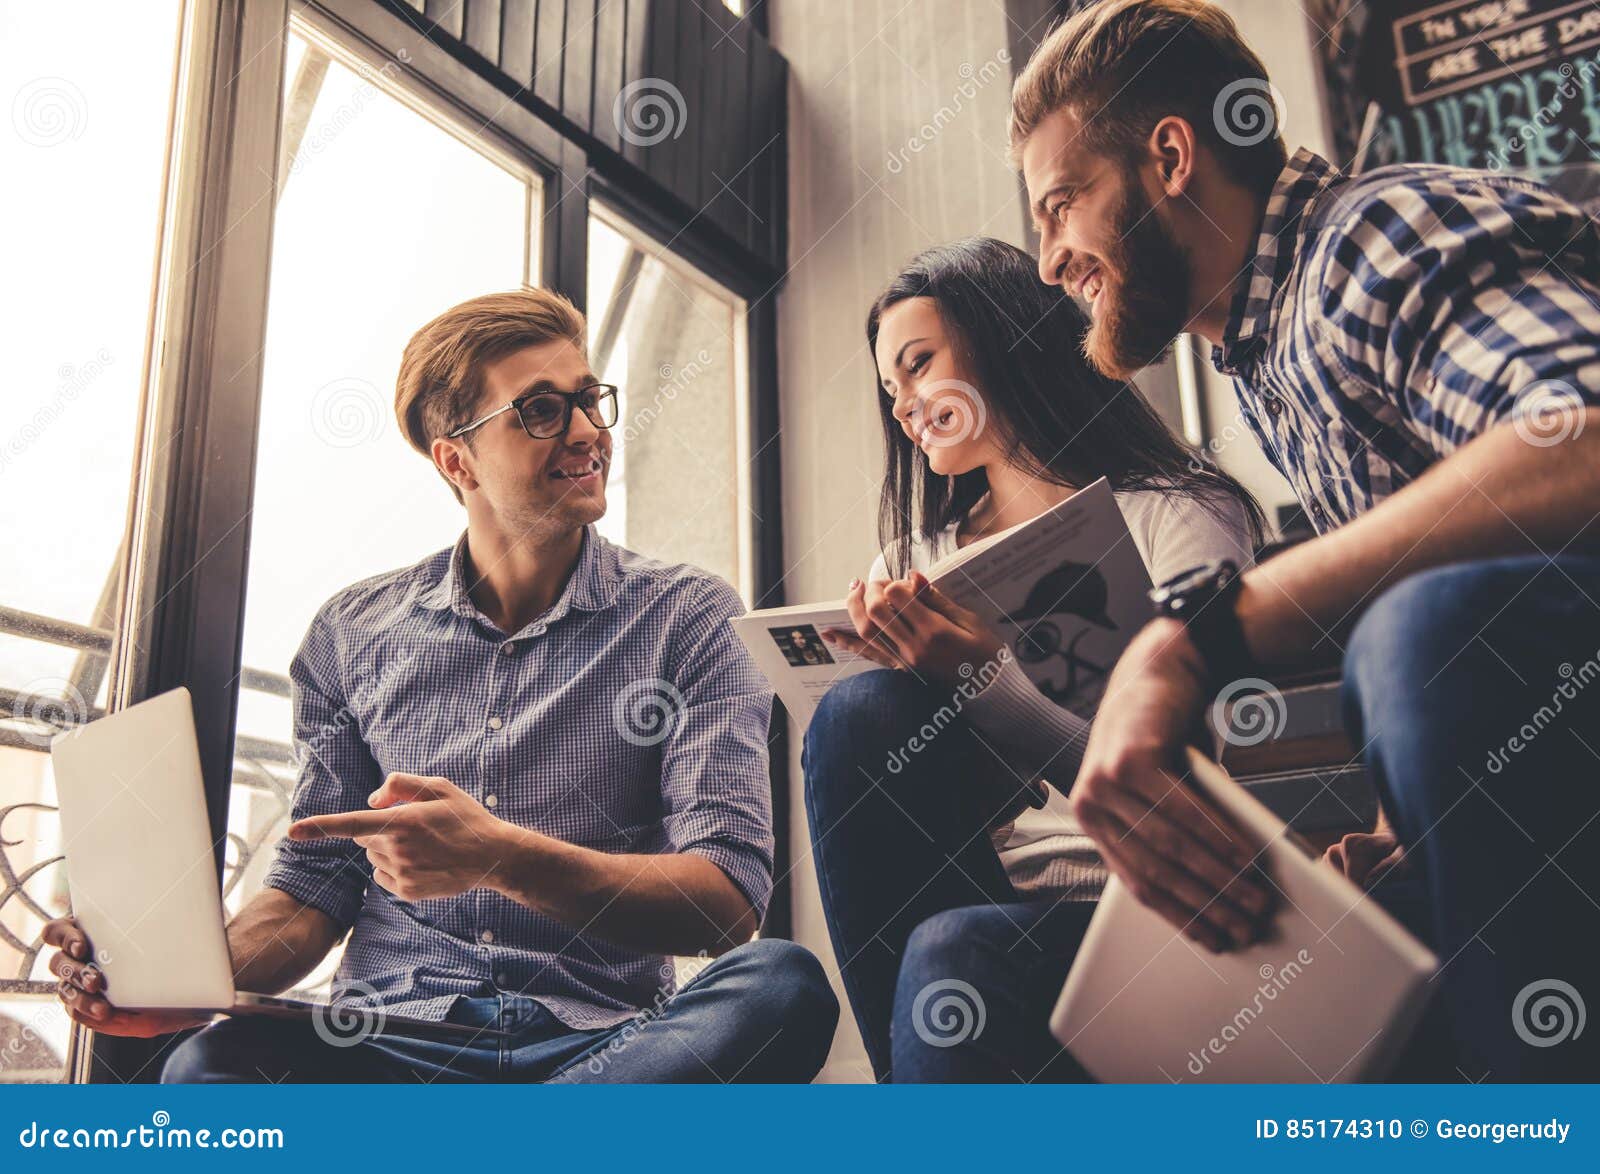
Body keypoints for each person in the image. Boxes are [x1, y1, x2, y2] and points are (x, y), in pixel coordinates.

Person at [1011, 0, 1600, 1081]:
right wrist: (1398, 825)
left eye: (1061, 205)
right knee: (977, 957)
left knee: (1423, 631)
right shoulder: (1268, 352)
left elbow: (1582, 435)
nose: (1048, 260)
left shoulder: (1369, 240)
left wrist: (1198, 635)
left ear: (1170, 158)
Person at [43, 287, 837, 1083]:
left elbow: (727, 904)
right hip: (388, 1042)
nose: (589, 432)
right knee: (208, 1067)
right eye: (541, 411)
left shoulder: (688, 617)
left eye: (589, 400)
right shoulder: (350, 635)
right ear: (456, 460)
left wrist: (502, 857)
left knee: (780, 986)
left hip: (601, 1047)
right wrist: (171, 974)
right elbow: (314, 889)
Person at [802, 236, 1263, 1082]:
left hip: (1141, 896)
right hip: (974, 887)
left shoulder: (1178, 514)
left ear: (1005, 338)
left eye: (918, 364)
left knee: (953, 951)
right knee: (858, 716)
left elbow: (1187, 784)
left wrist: (986, 680)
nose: (903, 405)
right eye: (888, 388)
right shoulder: (913, 560)